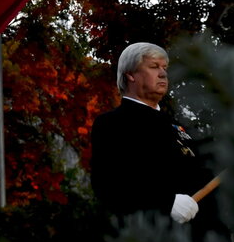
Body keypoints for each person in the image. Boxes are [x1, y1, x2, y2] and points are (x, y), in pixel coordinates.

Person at [91, 43, 218, 228]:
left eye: (165, 68)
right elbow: (108, 186)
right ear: (131, 74)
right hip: (155, 241)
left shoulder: (178, 126)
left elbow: (204, 173)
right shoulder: (113, 123)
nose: (163, 74)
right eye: (153, 67)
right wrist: (165, 203)